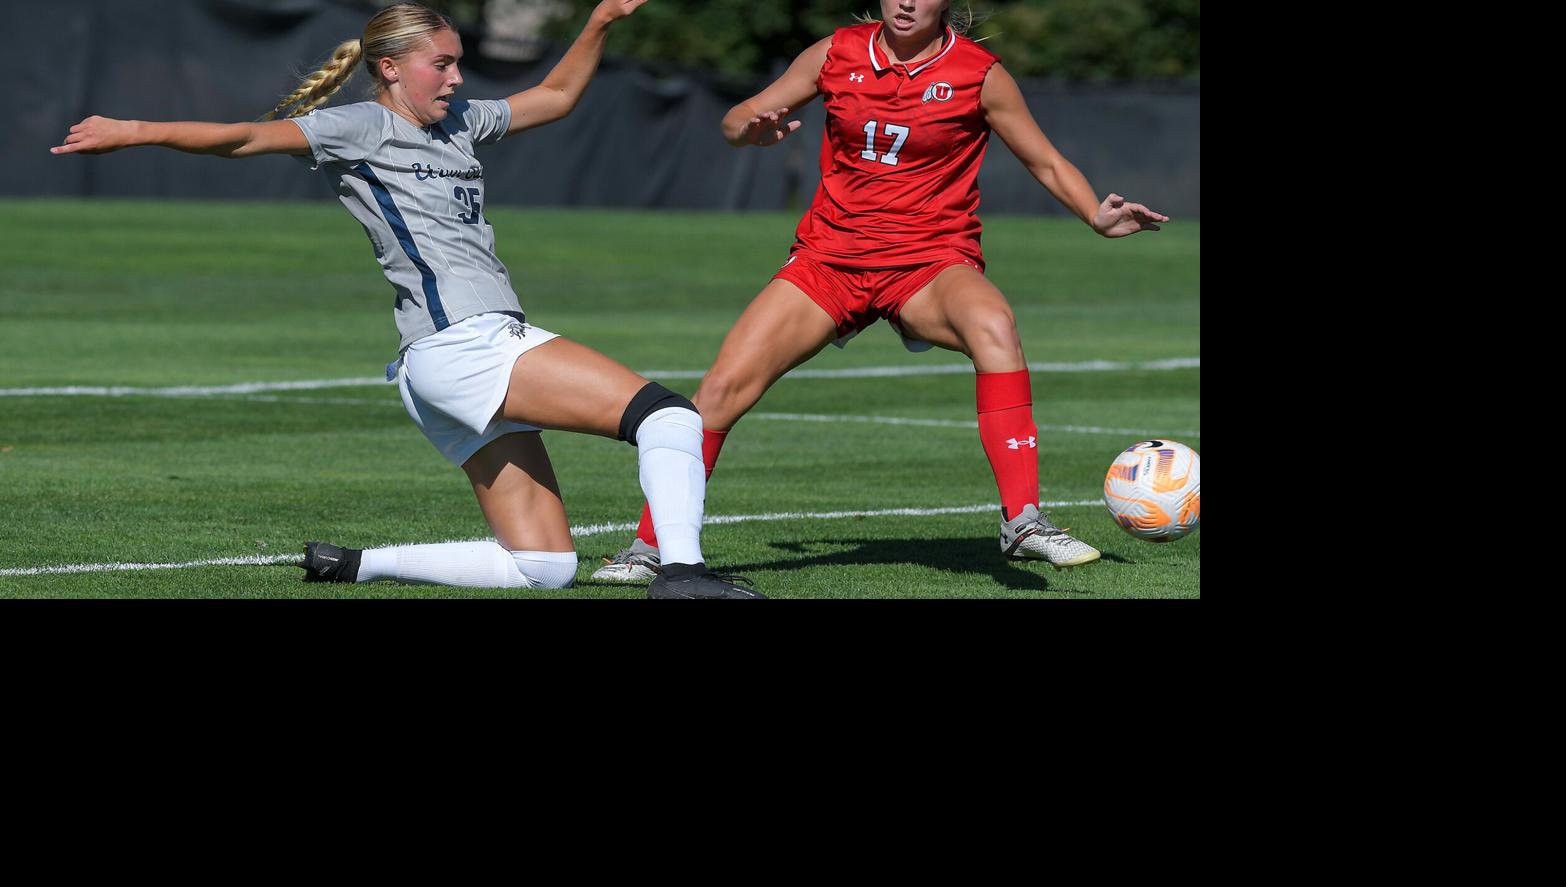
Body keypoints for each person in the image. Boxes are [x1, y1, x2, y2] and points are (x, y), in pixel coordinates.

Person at [53, 0, 763, 599]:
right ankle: (681, 574)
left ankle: (357, 565)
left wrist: (601, 18)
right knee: (668, 416)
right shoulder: (361, 127)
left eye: (457, 62)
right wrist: (135, 131)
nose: (456, 77)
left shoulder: (456, 125)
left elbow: (553, 98)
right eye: (442, 64)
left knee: (544, 567)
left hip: (437, 366)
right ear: (389, 68)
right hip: (466, 344)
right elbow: (243, 138)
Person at [589, 0, 1169, 585]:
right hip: (829, 260)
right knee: (719, 391)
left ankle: (1023, 520)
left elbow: (1044, 160)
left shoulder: (980, 74)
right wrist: (750, 131)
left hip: (928, 263)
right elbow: (738, 118)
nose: (907, 2)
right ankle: (651, 547)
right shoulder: (835, 52)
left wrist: (1095, 214)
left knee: (994, 325)